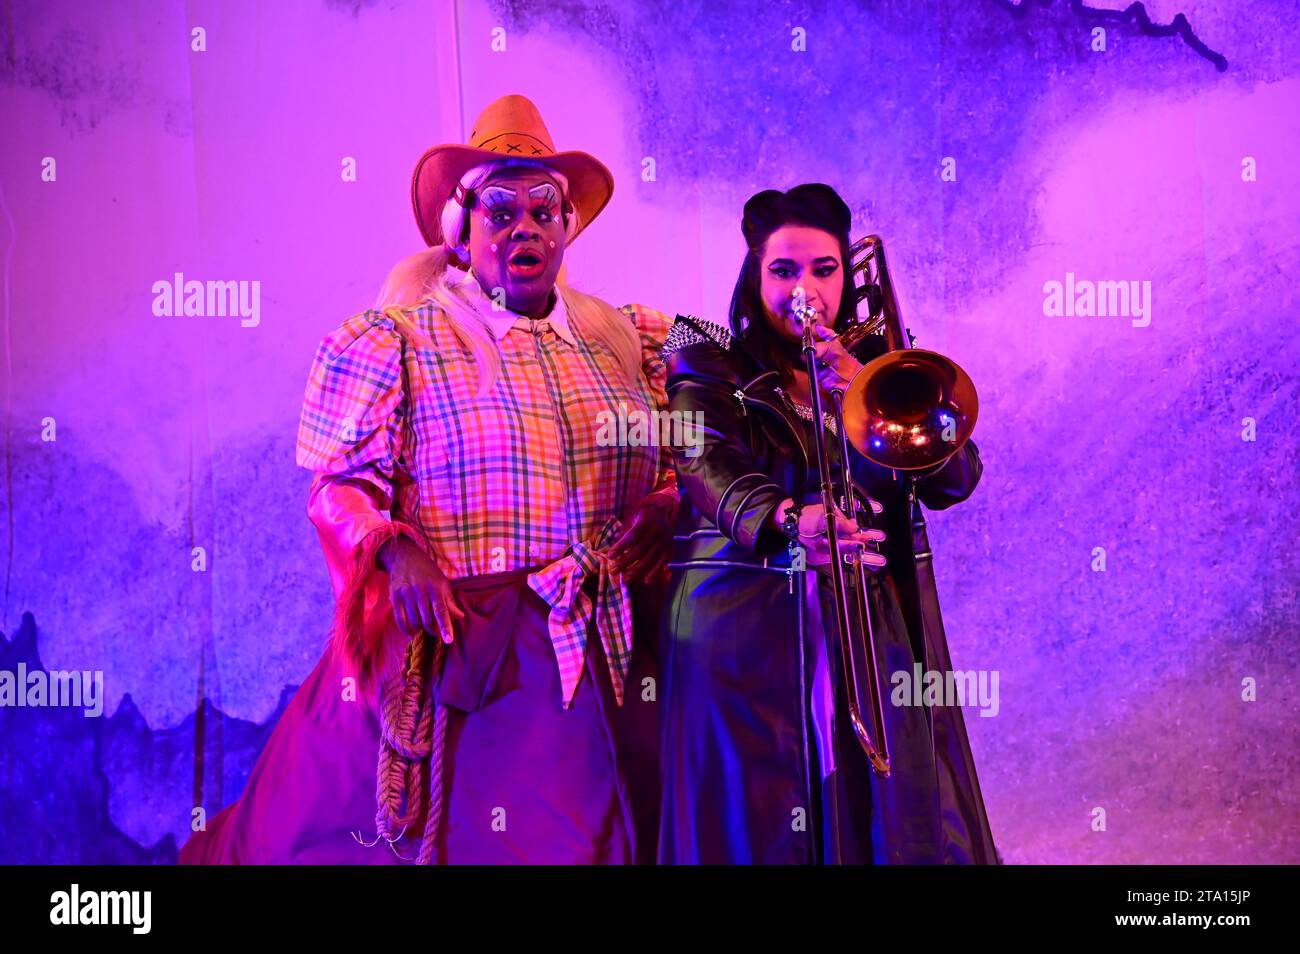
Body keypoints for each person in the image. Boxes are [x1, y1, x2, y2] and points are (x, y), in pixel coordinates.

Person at [179, 94, 676, 865]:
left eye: (543, 210)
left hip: (611, 647)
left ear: (565, 226)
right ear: (460, 227)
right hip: (474, 651)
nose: (524, 227)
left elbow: (690, 448)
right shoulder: (403, 342)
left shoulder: (624, 341)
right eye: (501, 210)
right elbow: (338, 487)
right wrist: (392, 547)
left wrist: (670, 501)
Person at [656, 183, 999, 864]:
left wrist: (864, 384)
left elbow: (955, 482)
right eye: (783, 270)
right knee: (766, 829)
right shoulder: (708, 355)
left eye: (824, 269)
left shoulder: (877, 363)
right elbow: (702, 458)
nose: (804, 289)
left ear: (846, 274)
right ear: (755, 276)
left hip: (871, 630)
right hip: (750, 628)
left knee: (890, 819)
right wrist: (787, 519)